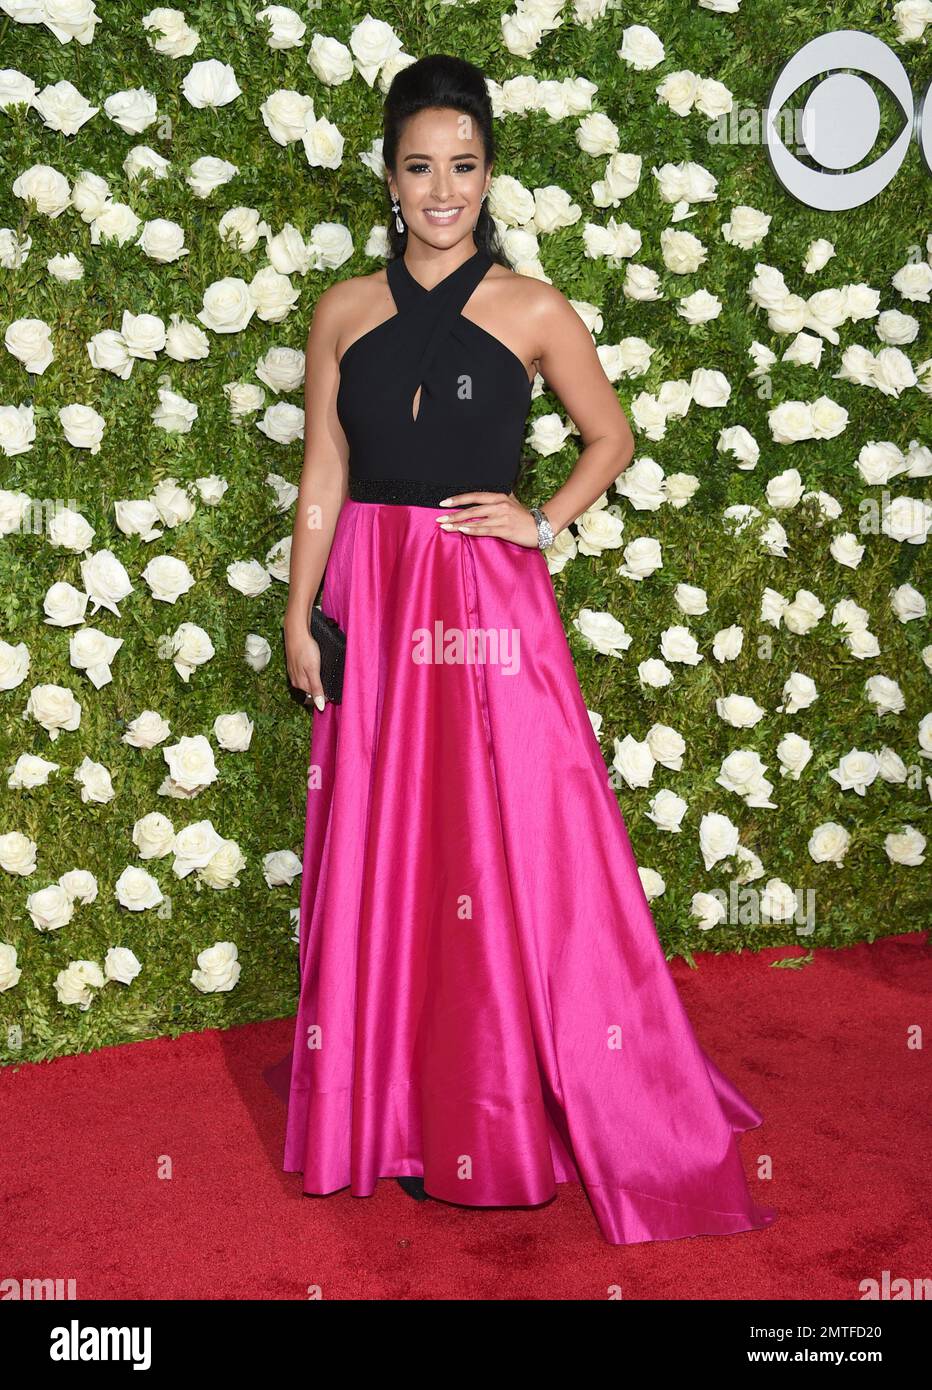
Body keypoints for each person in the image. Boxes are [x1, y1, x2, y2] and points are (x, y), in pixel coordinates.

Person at [275, 53, 777, 1247]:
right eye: (418, 167)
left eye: (462, 166)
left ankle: (502, 1106)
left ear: (490, 173)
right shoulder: (341, 308)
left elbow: (610, 436)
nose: (440, 190)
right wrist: (300, 613)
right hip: (374, 592)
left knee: (499, 843)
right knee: (387, 844)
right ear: (387, 177)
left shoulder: (534, 306)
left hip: (483, 600)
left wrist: (539, 519)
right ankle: (390, 1108)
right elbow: (323, 473)